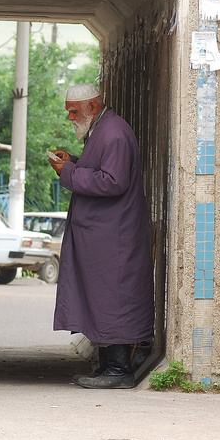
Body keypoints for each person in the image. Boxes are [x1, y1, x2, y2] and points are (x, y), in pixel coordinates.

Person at [48, 83, 155, 389]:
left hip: (115, 237)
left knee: (112, 299)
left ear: (93, 107)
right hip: (106, 236)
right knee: (103, 298)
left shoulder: (114, 133)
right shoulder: (102, 130)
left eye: (74, 111)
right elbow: (99, 170)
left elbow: (112, 181)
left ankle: (119, 370)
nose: (70, 118)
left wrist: (68, 172)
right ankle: (110, 366)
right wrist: (73, 162)